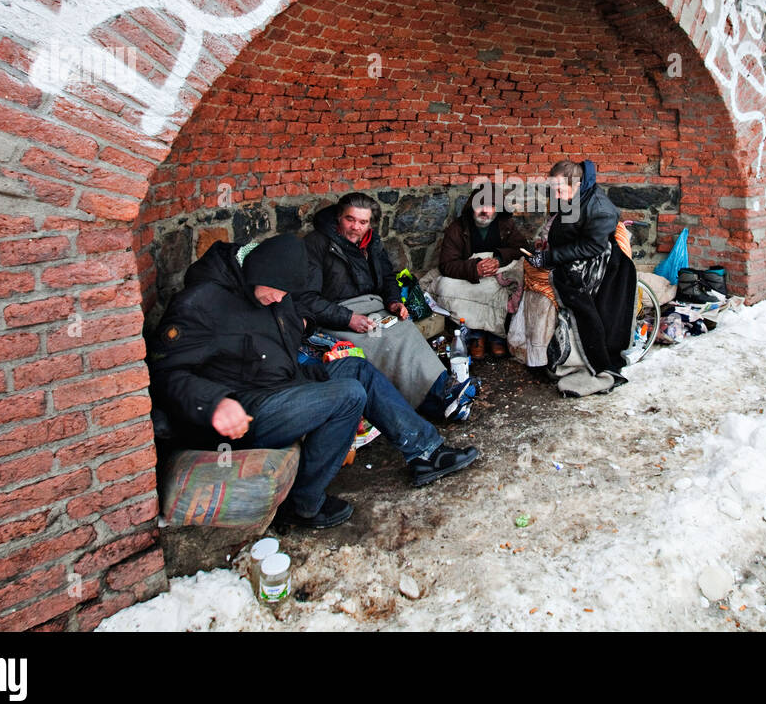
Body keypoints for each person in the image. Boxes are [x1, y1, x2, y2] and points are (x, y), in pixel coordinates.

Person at [147, 233, 480, 529]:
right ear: (257, 273)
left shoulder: (270, 291)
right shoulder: (201, 303)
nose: (280, 299)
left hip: (285, 384)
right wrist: (216, 402)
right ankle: (303, 505)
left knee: (355, 368)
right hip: (246, 409)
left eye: (284, 294)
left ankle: (424, 452)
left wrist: (308, 335)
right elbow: (166, 374)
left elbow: (280, 333)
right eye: (276, 291)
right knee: (347, 395)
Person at [297, 193, 478, 421]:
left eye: (363, 222)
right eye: (350, 220)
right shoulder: (317, 243)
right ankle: (437, 401)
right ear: (338, 218)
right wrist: (348, 318)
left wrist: (394, 302)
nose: (356, 228)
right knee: (386, 340)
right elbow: (307, 298)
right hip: (338, 316)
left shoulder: (371, 241)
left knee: (406, 329)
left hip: (374, 309)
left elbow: (387, 276)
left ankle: (444, 391)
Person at [526, 160, 637, 393]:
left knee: (573, 292)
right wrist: (545, 248)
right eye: (553, 188)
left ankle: (594, 361)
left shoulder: (599, 208)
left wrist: (549, 259)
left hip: (602, 261)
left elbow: (591, 247)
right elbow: (567, 233)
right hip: (578, 252)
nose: (556, 194)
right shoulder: (574, 198)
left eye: (559, 189)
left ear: (576, 184)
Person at [434, 182, 531, 358]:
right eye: (480, 205)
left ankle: (495, 335)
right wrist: (475, 268)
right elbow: (446, 264)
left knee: (513, 281)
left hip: (496, 279)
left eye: (491, 206)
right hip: (471, 279)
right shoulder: (457, 228)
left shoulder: (505, 225)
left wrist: (498, 259)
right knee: (444, 287)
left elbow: (521, 249)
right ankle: (476, 334)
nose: (485, 211)